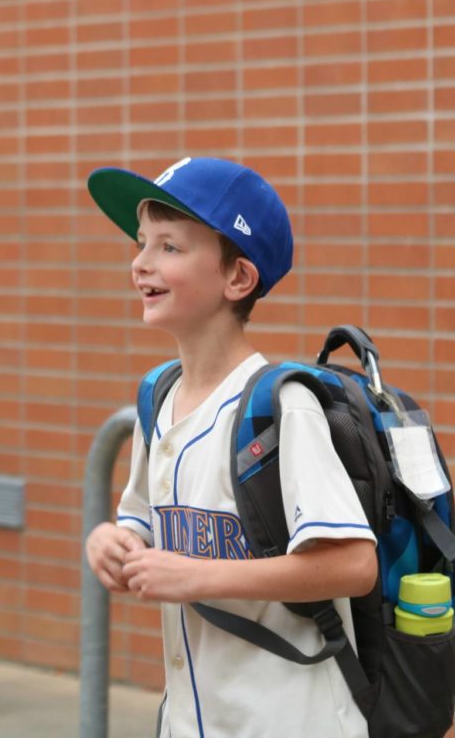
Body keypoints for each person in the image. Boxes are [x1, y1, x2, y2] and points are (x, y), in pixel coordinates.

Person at [83, 157, 377, 738]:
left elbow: (353, 564)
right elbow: (139, 523)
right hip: (192, 719)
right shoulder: (157, 395)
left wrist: (195, 577)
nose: (141, 263)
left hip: (297, 720)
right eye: (142, 243)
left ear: (237, 278)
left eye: (170, 247)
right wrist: (111, 541)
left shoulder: (281, 406)